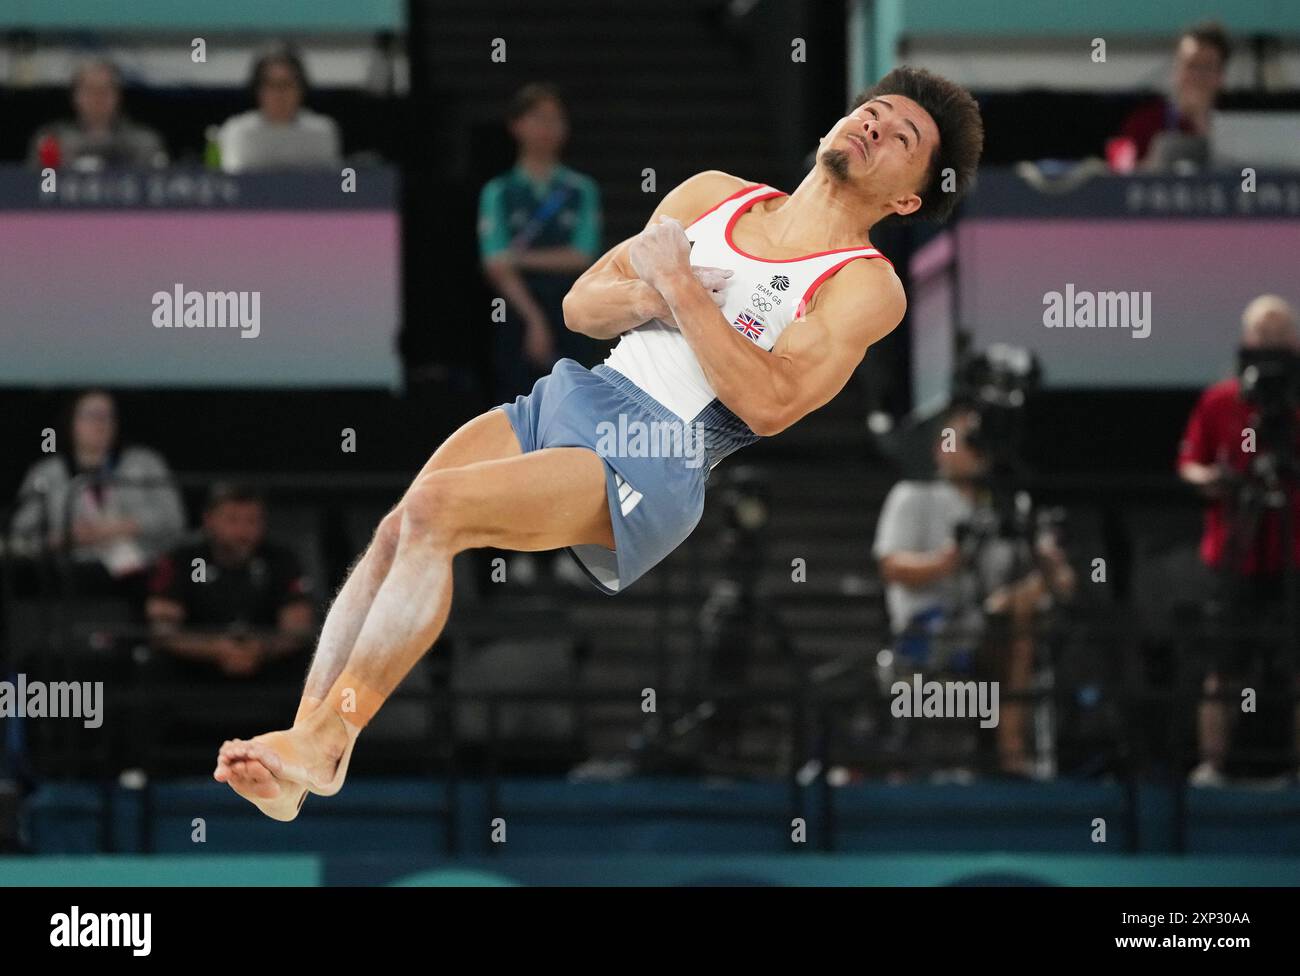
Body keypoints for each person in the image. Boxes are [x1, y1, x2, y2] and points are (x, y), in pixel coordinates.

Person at [215, 65, 986, 821]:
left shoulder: (865, 284)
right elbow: (586, 303)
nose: (875, 125)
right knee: (395, 528)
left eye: (902, 136)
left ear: (908, 195)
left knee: (437, 513)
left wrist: (682, 289)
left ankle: (330, 739)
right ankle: (305, 748)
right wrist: (654, 290)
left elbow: (772, 402)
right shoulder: (715, 195)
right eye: (873, 111)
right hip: (585, 391)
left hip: (659, 448)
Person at [874, 407, 1075, 775]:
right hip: (928, 631)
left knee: (1030, 610)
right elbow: (891, 566)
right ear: (940, 449)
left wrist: (1051, 565)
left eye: (980, 440)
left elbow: (1060, 583)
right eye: (965, 439)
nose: (975, 449)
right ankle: (1010, 753)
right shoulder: (914, 495)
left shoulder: (1009, 506)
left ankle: (1047, 753)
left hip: (993, 624)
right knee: (1017, 622)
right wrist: (944, 563)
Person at [1178, 294, 1300, 785]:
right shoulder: (1221, 401)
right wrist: (1212, 479)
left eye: (1279, 335)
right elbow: (1189, 463)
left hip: (1295, 556)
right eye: (1262, 335)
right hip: (1235, 555)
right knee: (1223, 667)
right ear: (1246, 342)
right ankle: (1213, 767)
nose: (1270, 344)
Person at [146, 483, 315, 750]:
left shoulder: (281, 559)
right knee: (149, 664)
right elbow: (162, 628)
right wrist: (215, 650)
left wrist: (260, 649)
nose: (243, 531)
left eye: (252, 521)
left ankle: (308, 769)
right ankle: (142, 774)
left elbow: (298, 627)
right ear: (208, 521)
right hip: (197, 667)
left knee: (313, 664)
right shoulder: (182, 560)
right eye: (233, 520)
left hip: (264, 664)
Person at [478, 83, 605, 404]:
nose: (549, 128)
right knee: (514, 409)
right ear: (516, 125)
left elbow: (582, 255)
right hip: (516, 310)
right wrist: (534, 320)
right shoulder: (499, 191)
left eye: (556, 120)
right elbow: (495, 264)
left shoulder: (581, 189)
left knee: (576, 406)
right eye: (538, 118)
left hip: (572, 312)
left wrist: (519, 259)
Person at [10, 390, 185, 598]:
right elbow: (20, 536)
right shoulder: (47, 473)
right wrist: (65, 538)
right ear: (71, 421)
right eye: (91, 416)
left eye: (107, 416)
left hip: (140, 573)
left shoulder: (145, 463)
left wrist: (122, 526)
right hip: (70, 577)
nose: (100, 424)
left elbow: (175, 521)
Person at [1109, 20, 1230, 172]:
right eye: (1191, 65)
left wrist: (1200, 123)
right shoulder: (1143, 122)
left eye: (1207, 67)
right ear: (1176, 70)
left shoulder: (1238, 129)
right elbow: (1116, 174)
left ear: (1221, 76)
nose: (1197, 76)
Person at [26, 59, 168, 171]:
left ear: (118, 95)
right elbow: (33, 189)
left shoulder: (144, 142)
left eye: (105, 90)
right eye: (90, 90)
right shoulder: (52, 140)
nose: (98, 97)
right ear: (75, 96)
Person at [216, 47, 341, 173]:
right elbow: (232, 182)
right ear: (258, 90)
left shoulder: (322, 131)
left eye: (286, 84)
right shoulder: (238, 131)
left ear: (301, 89)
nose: (279, 94)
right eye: (271, 85)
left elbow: (329, 183)